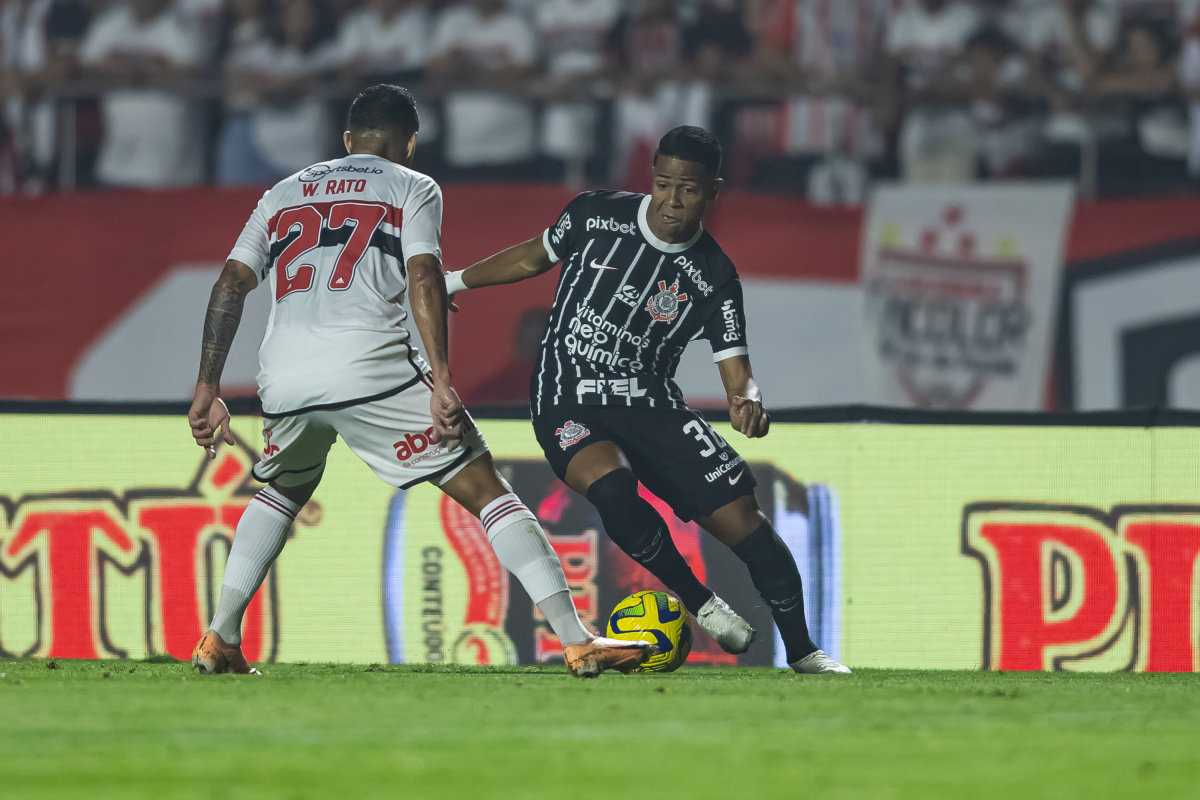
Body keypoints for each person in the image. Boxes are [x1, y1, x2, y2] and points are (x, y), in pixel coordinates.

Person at [186, 84, 651, 678]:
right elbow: (425, 273)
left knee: (283, 490)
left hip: (283, 375)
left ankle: (219, 637)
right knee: (487, 489)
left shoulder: (282, 192)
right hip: (369, 366)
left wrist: (207, 387)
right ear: (409, 142)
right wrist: (443, 379)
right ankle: (577, 639)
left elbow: (230, 283)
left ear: (348, 139)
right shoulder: (412, 185)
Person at [443, 126, 850, 675]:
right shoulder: (594, 215)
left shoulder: (715, 275)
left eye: (688, 189)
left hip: (650, 403)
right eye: (663, 184)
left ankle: (804, 652)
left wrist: (747, 400)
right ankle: (704, 604)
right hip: (568, 394)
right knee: (613, 489)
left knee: (748, 525)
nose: (671, 200)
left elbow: (737, 368)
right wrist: (453, 282)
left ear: (713, 191)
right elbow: (532, 258)